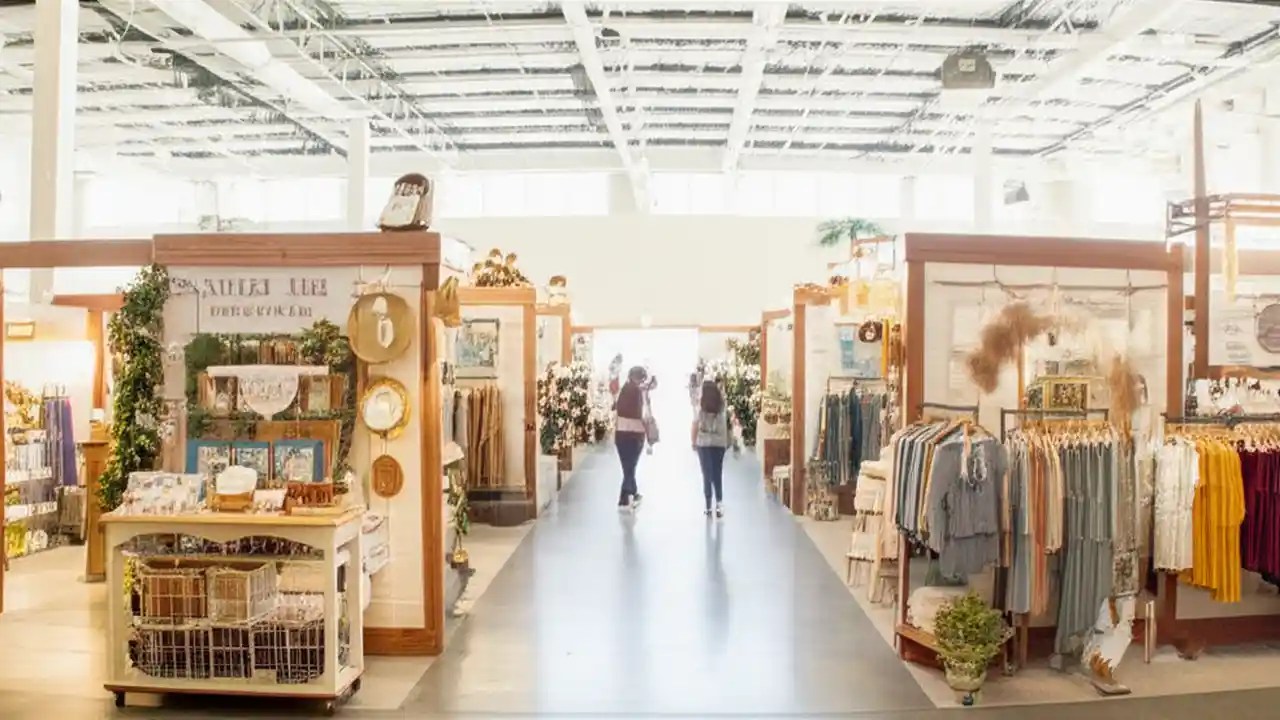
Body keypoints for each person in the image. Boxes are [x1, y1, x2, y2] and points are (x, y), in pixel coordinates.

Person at [692, 379, 731, 518]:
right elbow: (727, 426)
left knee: (706, 475)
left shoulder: (701, 408)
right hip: (719, 444)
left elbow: (695, 426)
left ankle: (708, 506)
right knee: (717, 474)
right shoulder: (721, 407)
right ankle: (719, 504)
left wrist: (693, 442)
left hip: (704, 445)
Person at [614, 366, 649, 510]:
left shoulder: (624, 390)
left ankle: (625, 498)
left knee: (627, 467)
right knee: (630, 467)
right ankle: (631, 495)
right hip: (635, 434)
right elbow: (639, 413)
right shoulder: (637, 392)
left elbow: (618, 408)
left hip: (621, 433)